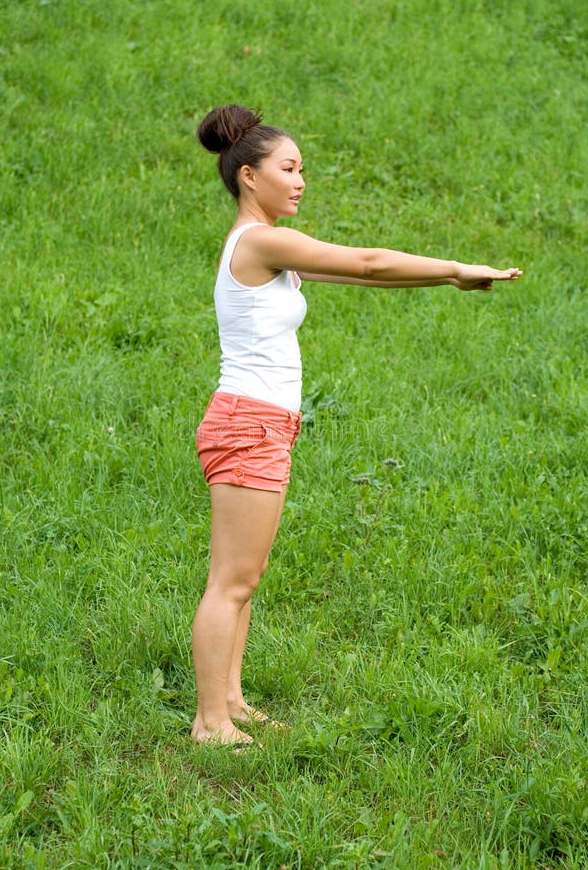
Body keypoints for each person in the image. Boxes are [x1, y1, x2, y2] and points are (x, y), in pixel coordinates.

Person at [191, 104, 522, 748]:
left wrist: (443, 281)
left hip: (263, 423)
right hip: (248, 423)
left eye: (303, 169)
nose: (301, 181)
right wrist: (457, 268)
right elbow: (368, 260)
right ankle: (209, 722)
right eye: (289, 168)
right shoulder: (259, 240)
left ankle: (230, 699)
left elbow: (363, 275)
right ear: (249, 176)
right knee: (231, 581)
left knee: (244, 578)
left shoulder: (270, 250)